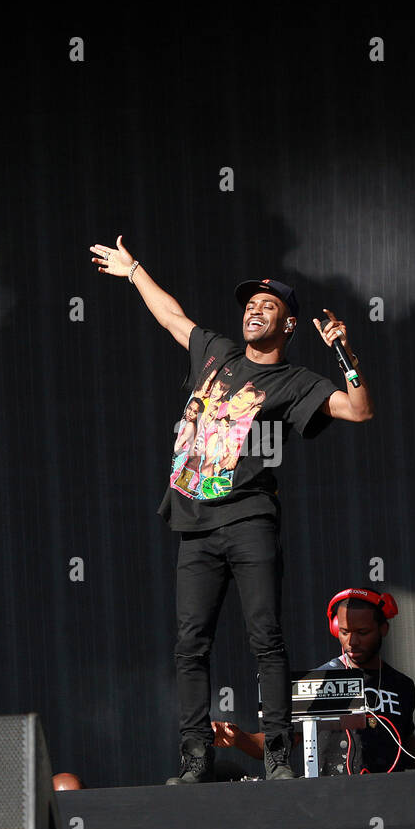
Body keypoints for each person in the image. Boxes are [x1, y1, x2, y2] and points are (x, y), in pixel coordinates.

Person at [90, 235, 374, 783]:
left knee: (265, 637)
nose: (254, 309)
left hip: (249, 519)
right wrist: (134, 272)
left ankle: (278, 758)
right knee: (189, 644)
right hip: (194, 522)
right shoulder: (216, 353)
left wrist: (345, 354)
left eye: (268, 306)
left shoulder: (295, 382)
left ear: (288, 325)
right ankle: (196, 759)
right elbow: (172, 317)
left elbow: (359, 411)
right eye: (250, 303)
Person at [213, 589, 415, 775]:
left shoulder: (401, 685)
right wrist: (240, 738)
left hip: (390, 795)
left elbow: (403, 737)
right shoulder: (318, 681)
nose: (352, 641)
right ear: (335, 629)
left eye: (362, 632)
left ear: (383, 628)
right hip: (333, 797)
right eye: (344, 632)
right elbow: (276, 744)